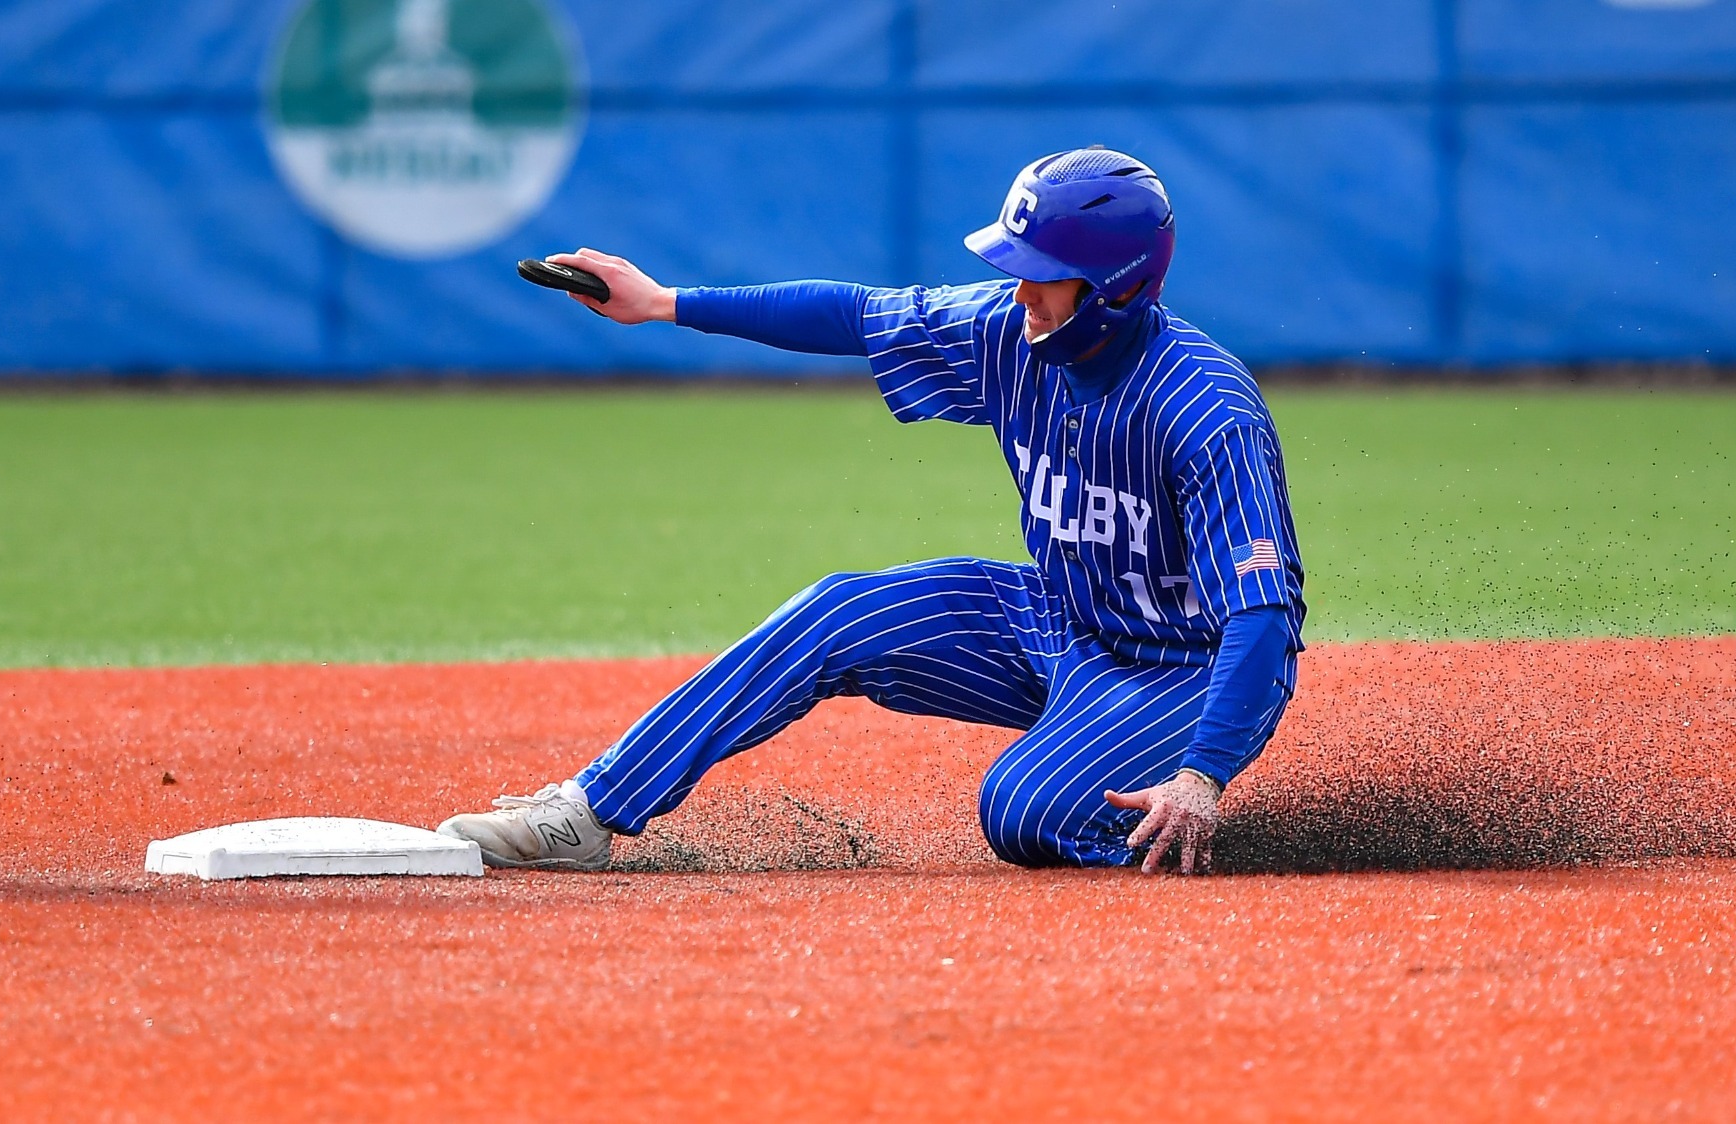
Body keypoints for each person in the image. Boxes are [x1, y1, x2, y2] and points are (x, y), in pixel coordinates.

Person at [439, 148, 1306, 875]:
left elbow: (1263, 617)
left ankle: (1198, 837)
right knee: (837, 611)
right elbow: (852, 315)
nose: (1016, 292)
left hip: (1183, 669)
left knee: (1022, 811)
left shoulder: (1204, 409)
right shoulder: (1011, 337)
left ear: (1115, 286)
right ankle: (591, 812)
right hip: (1062, 617)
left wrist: (1202, 774)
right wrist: (666, 304)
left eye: (1042, 275)